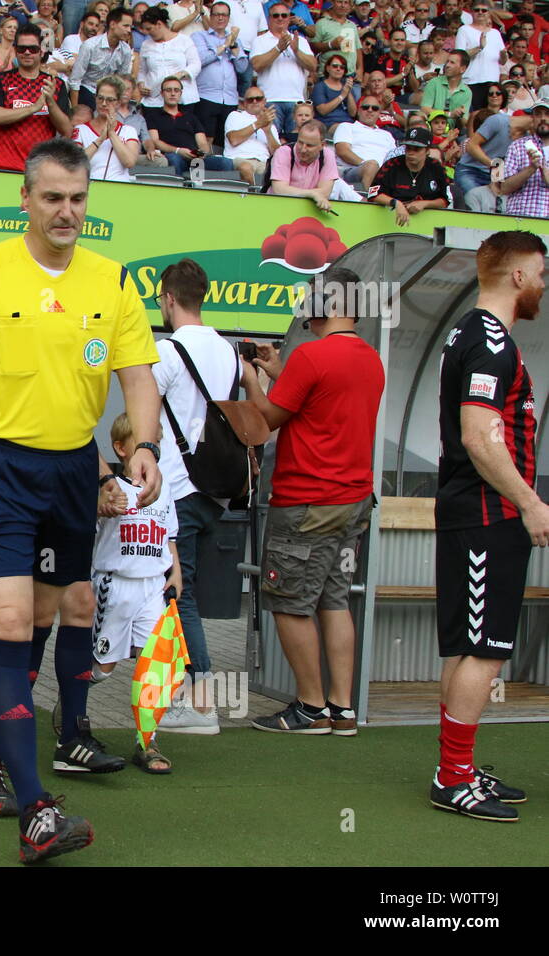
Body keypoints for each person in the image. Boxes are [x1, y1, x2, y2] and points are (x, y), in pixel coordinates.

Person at [0, 138, 163, 864]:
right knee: (7, 621)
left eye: (78, 199)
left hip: (71, 471)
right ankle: (36, 808)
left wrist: (143, 446)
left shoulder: (112, 283)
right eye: (52, 197)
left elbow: (138, 376)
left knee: (42, 619)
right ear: (25, 199)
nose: (66, 211)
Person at [430, 229, 546, 823]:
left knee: (466, 644)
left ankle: (457, 769)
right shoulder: (490, 339)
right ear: (519, 275)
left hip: (472, 513)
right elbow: (479, 436)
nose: (544, 287)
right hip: (486, 514)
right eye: (542, 275)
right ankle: (453, 779)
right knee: (484, 650)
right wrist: (530, 503)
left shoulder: (470, 333)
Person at [241, 266, 383, 737]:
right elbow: (321, 401)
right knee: (333, 598)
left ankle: (308, 706)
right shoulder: (369, 359)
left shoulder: (311, 356)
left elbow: (269, 418)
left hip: (306, 503)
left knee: (287, 600)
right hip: (353, 502)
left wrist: (252, 380)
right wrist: (280, 371)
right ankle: (341, 710)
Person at [145, 258, 238, 734]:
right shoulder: (229, 351)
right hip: (216, 489)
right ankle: (186, 694)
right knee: (184, 593)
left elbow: (143, 417)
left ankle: (199, 702)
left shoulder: (167, 351)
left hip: (176, 487)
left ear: (168, 298)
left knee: (180, 595)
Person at [89, 412, 180, 772]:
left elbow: (169, 535)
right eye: (146, 442)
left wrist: (177, 572)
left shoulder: (164, 487)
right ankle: (73, 701)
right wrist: (102, 507)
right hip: (116, 584)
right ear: (121, 447)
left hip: (153, 587)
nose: (153, 450)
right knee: (104, 666)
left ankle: (147, 741)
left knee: (154, 665)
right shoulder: (109, 486)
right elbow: (88, 518)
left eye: (156, 442)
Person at [0, 21, 72, 171]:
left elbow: (67, 130)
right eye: (22, 48)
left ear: (42, 51)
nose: (27, 53)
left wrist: (50, 102)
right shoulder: (0, 79)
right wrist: (34, 108)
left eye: (33, 48)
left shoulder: (56, 84)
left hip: (39, 171)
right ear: (15, 50)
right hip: (3, 168)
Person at [249, 1, 313, 140]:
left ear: (289, 17)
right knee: (269, 142)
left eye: (284, 15)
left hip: (296, 101)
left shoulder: (300, 40)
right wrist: (278, 48)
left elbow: (313, 66)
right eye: (276, 15)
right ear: (269, 18)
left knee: (296, 145)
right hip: (270, 100)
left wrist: (296, 51)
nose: (280, 18)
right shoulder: (260, 40)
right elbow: (257, 65)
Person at [145, 75, 233, 175]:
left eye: (176, 90)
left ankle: (201, 187)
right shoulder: (153, 117)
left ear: (181, 93)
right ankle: (179, 189)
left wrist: (201, 153)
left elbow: (203, 143)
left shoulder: (191, 118)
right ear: (162, 93)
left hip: (194, 158)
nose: (173, 93)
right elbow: (155, 141)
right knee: (174, 159)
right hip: (172, 155)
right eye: (168, 90)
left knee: (225, 162)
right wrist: (178, 151)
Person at [191, 2, 247, 146]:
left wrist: (233, 46)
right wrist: (224, 46)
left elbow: (242, 68)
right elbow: (201, 59)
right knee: (205, 141)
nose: (220, 18)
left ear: (228, 18)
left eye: (224, 15)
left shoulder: (235, 40)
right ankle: (202, 169)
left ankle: (222, 168)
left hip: (229, 98)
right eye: (216, 14)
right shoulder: (199, 36)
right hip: (206, 96)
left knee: (224, 143)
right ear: (210, 16)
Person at [269, 119, 356, 209]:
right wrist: (311, 193)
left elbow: (325, 192)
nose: (303, 149)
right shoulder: (284, 152)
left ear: (322, 145)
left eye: (309, 145)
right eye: (300, 142)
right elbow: (279, 190)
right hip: (279, 207)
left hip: (310, 210)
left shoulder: (327, 155)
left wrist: (311, 194)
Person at [370, 125, 450, 223]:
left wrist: (425, 204)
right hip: (390, 220)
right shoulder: (392, 164)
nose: (411, 153)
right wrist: (396, 203)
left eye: (416, 149)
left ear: (427, 151)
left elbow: (444, 201)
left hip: (428, 222)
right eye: (408, 148)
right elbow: (373, 193)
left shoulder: (436, 167)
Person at [72, 72, 140, 179]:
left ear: (118, 102)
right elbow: (76, 163)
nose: (104, 103)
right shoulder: (80, 130)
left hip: (118, 188)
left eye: (110, 100)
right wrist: (100, 139)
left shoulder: (128, 131)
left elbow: (129, 162)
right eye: (100, 98)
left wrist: (112, 134)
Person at [135, 5, 200, 111]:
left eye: (149, 28)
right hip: (154, 100)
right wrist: (141, 84)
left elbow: (196, 65)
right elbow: (142, 71)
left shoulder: (184, 40)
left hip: (182, 99)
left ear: (159, 24)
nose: (147, 32)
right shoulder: (146, 44)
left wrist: (179, 75)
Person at [70, 6, 132, 113]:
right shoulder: (90, 46)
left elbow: (122, 81)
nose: (129, 30)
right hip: (87, 89)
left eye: (130, 27)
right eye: (126, 26)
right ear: (112, 24)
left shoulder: (126, 50)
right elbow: (75, 80)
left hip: (110, 94)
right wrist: (75, 110)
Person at [494, 97, 549, 219]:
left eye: (547, 114)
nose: (543, 118)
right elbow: (504, 188)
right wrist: (531, 169)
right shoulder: (517, 146)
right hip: (520, 219)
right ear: (532, 119)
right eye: (538, 114)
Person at [332, 94, 395, 187]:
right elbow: (343, 151)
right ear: (358, 111)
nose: (370, 110)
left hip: (384, 174)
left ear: (379, 113)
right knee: (371, 166)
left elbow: (394, 158)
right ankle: (369, 200)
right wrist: (366, 164)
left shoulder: (387, 135)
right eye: (365, 107)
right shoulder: (346, 126)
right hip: (354, 170)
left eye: (374, 108)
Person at [223, 83, 278, 184]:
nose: (254, 101)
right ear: (244, 104)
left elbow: (278, 154)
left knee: (278, 170)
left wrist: (268, 132)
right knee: (246, 167)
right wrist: (258, 124)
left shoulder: (270, 124)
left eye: (258, 98)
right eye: (250, 99)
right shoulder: (235, 116)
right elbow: (233, 140)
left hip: (264, 162)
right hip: (240, 159)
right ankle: (254, 196)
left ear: (264, 101)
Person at [454, 2, 503, 109]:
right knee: (473, 117)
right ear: (471, 12)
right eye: (477, 10)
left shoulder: (496, 33)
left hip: (492, 82)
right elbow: (459, 57)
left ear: (489, 13)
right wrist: (479, 48)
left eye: (484, 10)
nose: (480, 12)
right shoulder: (464, 30)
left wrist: (505, 55)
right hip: (472, 81)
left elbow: (502, 61)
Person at [420, 48, 471, 118]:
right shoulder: (434, 83)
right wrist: (449, 114)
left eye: (452, 62)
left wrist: (460, 115)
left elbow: (464, 122)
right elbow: (425, 109)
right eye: (447, 62)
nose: (447, 65)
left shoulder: (467, 92)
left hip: (453, 128)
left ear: (462, 69)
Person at [312, 52, 358, 129]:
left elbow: (353, 113)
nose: (338, 69)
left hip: (348, 123)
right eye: (335, 66)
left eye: (342, 67)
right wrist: (342, 96)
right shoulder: (320, 86)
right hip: (328, 124)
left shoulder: (346, 86)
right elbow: (322, 110)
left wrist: (348, 92)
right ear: (328, 68)